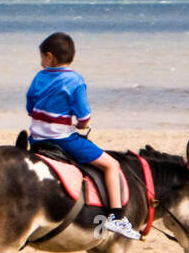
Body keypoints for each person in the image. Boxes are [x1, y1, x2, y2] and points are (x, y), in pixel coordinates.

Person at [27, 32, 140, 240]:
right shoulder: (75, 80)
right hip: (63, 140)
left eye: (41, 57)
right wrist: (80, 124)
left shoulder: (39, 77)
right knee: (111, 165)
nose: (41, 62)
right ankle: (116, 215)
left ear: (50, 57)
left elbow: (29, 106)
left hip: (35, 139)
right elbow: (84, 117)